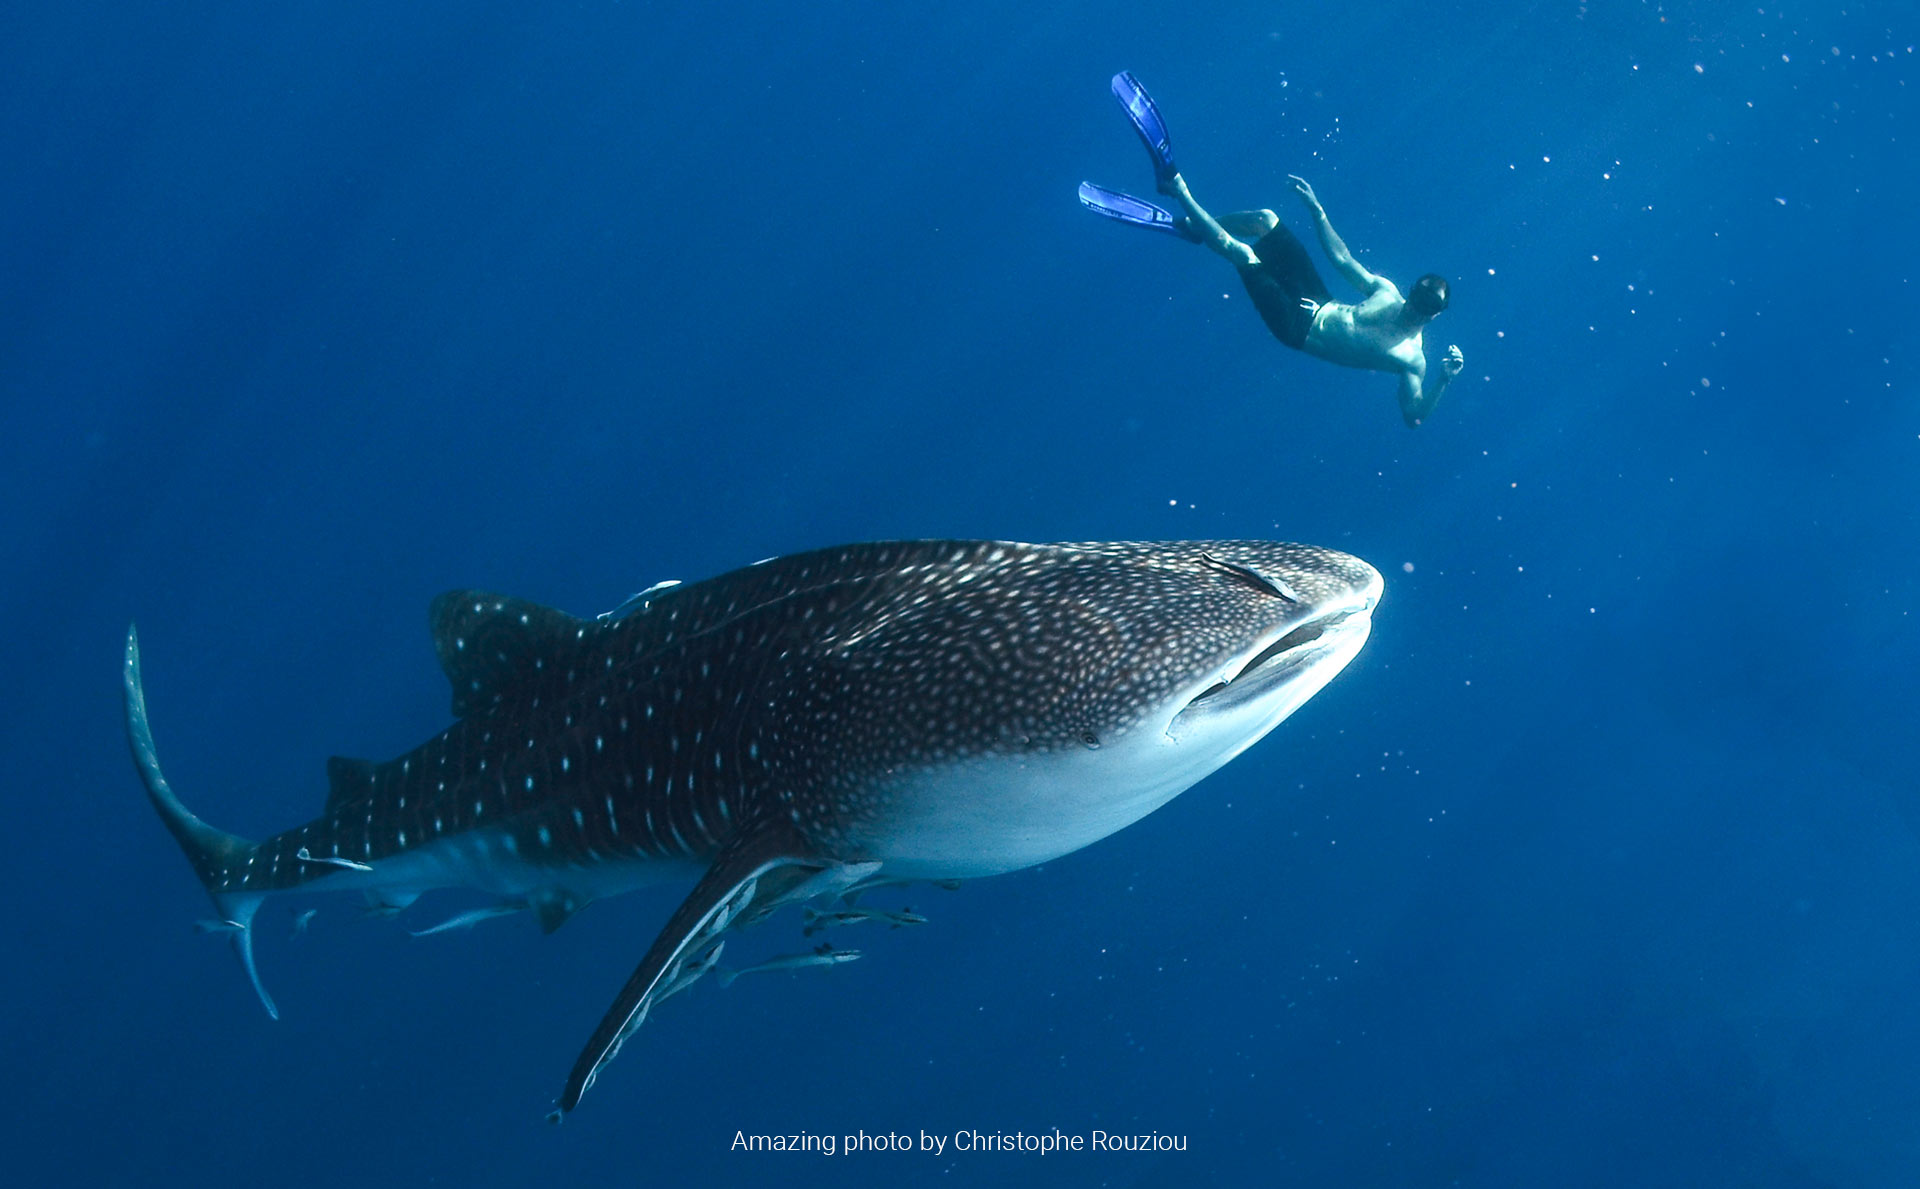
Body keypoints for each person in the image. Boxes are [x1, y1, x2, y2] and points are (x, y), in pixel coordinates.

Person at [1081, 72, 1465, 428]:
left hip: (1297, 329)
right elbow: (1343, 259)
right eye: (1417, 297)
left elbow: (1412, 416)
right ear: (1412, 290)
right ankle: (1191, 227)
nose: (1416, 307)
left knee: (1243, 255)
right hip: (1319, 300)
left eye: (1426, 307)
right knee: (1265, 220)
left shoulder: (1412, 359)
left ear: (1435, 316)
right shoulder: (1387, 293)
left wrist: (1444, 380)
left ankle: (1176, 187)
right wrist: (1317, 211)